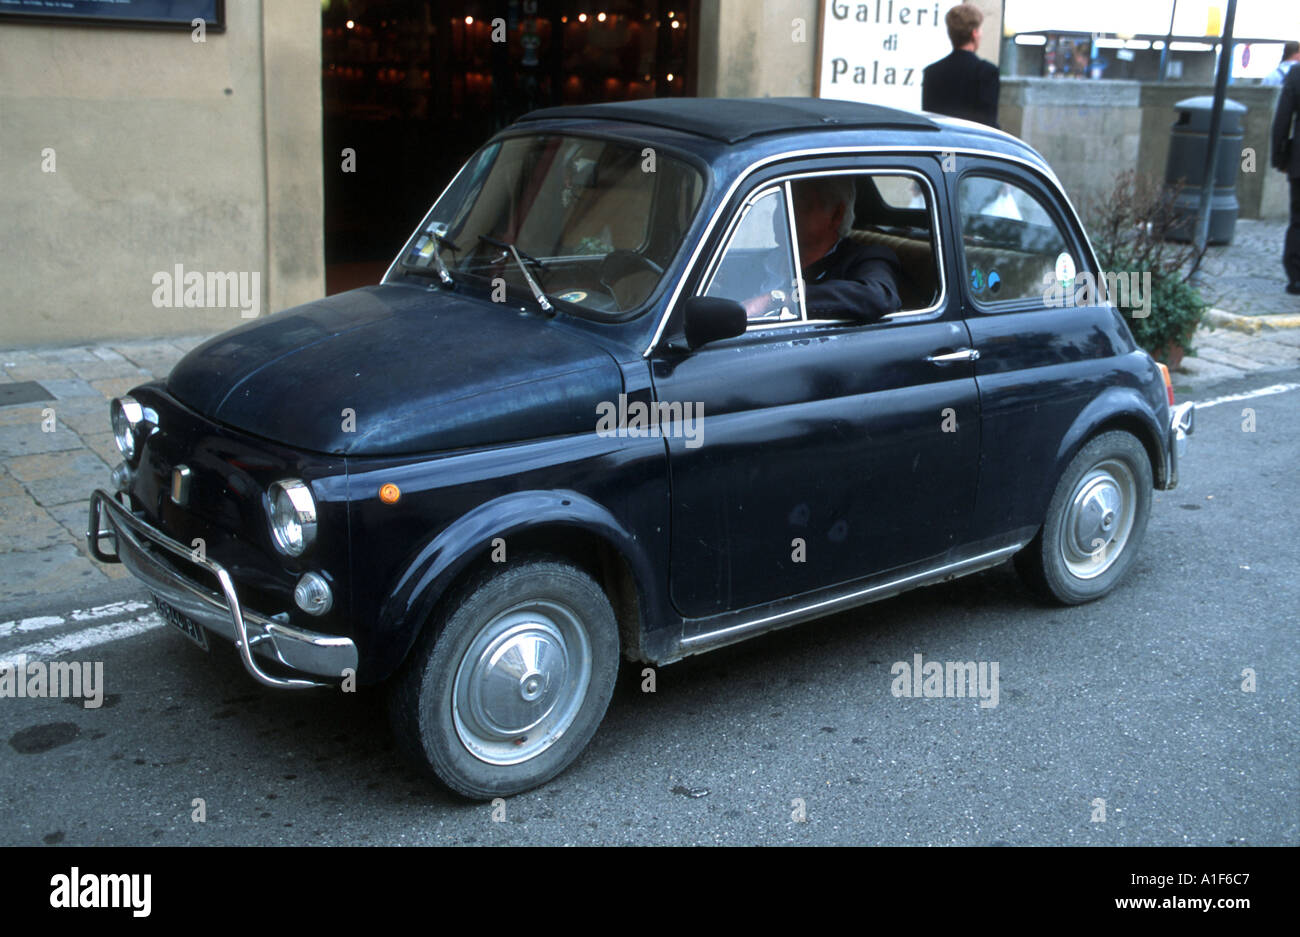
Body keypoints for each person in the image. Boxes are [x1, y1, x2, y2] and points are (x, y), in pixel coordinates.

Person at [744, 177, 902, 322]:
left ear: (836, 215)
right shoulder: (765, 261)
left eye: (799, 206)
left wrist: (779, 299)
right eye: (781, 202)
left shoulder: (865, 258)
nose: (782, 213)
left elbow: (878, 297)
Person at [921, 3, 1000, 128]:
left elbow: (932, 123)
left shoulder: (931, 72)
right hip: (972, 144)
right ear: (974, 34)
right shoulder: (986, 72)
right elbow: (988, 124)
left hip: (942, 144)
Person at [1271, 58, 1300, 294]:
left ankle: (1296, 277)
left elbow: (1282, 120)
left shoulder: (1296, 73)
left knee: (1298, 221)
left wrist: (1280, 158)